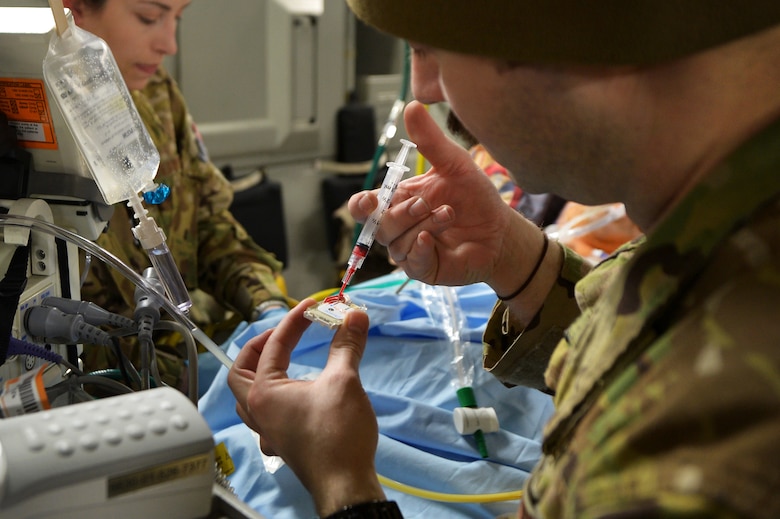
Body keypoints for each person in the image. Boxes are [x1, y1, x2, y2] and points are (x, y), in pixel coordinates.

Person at [229, 2, 780, 518]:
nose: (424, 88)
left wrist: (343, 485)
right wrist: (517, 259)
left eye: (430, 45)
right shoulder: (729, 219)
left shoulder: (721, 434)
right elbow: (633, 337)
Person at [64, 0, 293, 389]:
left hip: (194, 341)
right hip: (114, 395)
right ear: (76, 8)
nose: (170, 44)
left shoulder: (155, 95)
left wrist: (268, 307)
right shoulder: (37, 141)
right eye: (149, 18)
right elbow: (65, 334)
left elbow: (206, 224)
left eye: (178, 18)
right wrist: (188, 376)